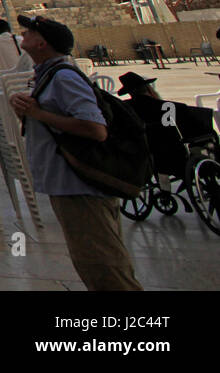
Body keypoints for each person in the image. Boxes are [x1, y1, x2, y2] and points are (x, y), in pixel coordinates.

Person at [9, 15, 142, 291]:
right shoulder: (47, 74)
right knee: (96, 261)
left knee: (104, 268)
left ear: (42, 43)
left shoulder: (64, 77)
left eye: (30, 32)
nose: (23, 34)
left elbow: (96, 129)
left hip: (80, 184)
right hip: (67, 182)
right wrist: (24, 107)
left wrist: (38, 113)